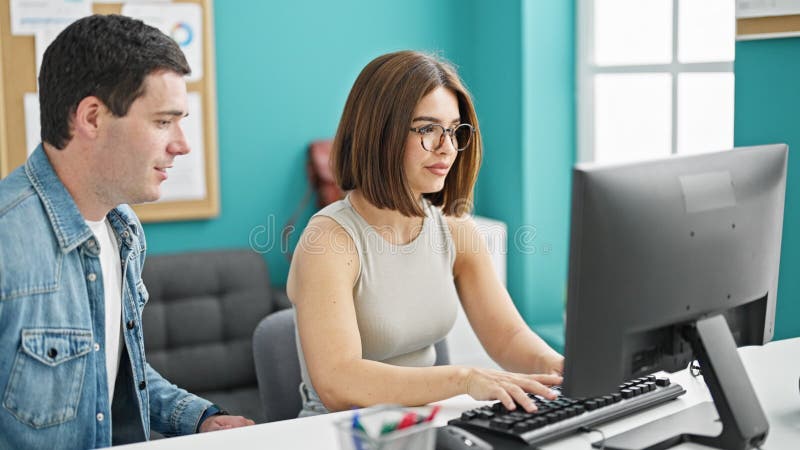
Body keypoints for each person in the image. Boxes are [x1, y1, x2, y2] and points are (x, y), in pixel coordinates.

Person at [0, 14, 253, 449]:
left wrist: (199, 420)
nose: (182, 143)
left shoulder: (124, 230)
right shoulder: (7, 242)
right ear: (93, 118)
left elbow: (110, 374)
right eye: (162, 121)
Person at [287, 50, 565, 417]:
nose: (447, 147)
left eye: (453, 130)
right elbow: (339, 383)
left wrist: (560, 367)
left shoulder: (454, 228)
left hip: (420, 424)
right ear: (379, 133)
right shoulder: (329, 241)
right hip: (343, 433)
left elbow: (509, 336)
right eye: (427, 129)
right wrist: (464, 378)